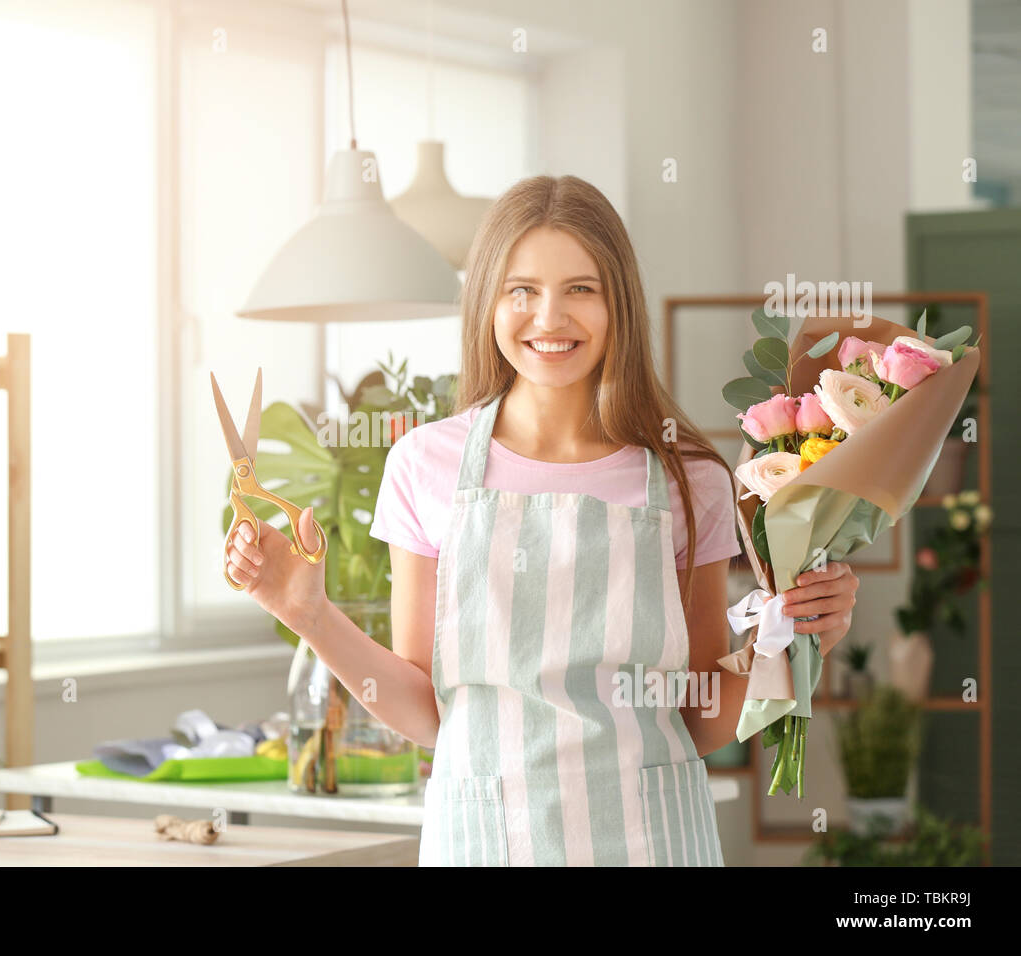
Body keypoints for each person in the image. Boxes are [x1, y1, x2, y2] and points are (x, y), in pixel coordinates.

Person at [224, 175, 860, 866]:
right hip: (488, 841)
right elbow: (428, 711)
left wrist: (798, 642)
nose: (549, 317)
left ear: (619, 303)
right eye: (521, 290)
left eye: (581, 289)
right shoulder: (424, 465)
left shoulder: (690, 479)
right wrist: (310, 614)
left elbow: (700, 716)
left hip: (652, 842)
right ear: (488, 303)